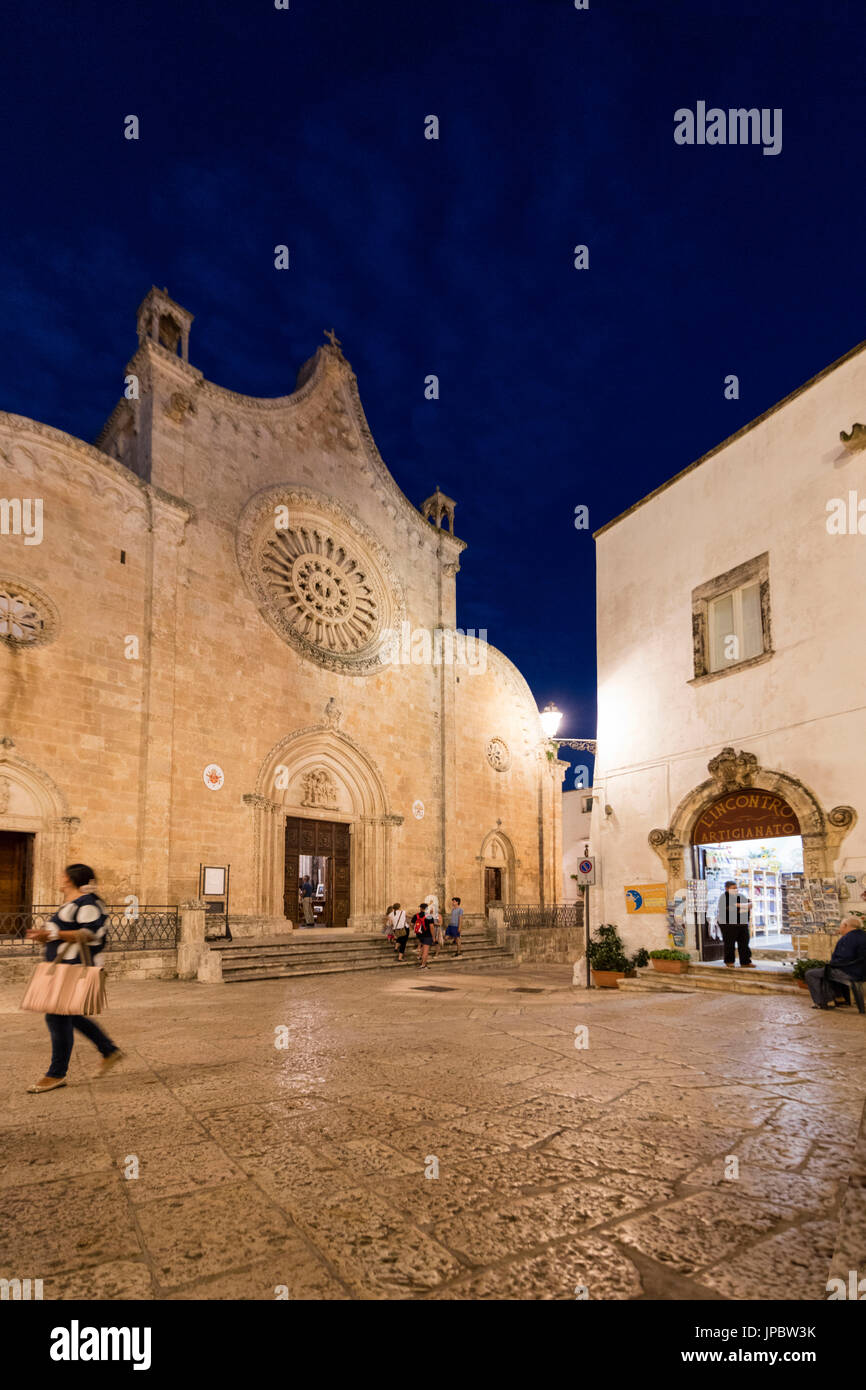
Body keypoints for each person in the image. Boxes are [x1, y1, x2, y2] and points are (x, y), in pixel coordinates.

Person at [25, 863, 124, 1094]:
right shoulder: (70, 904)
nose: (59, 878)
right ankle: (109, 1050)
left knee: (56, 1018)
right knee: (69, 1016)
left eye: (62, 875)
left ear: (70, 879)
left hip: (74, 967)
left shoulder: (86, 904)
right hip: (62, 967)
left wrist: (52, 933)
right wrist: (43, 936)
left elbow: (91, 933)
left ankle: (56, 1074)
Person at [805, 917, 866, 1011]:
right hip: (861, 971)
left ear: (845, 926)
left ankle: (821, 1002)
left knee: (811, 974)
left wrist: (831, 964)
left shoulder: (848, 938)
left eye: (840, 926)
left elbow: (843, 958)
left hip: (851, 972)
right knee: (828, 970)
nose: (840, 929)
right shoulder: (863, 935)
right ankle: (840, 999)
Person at [716, 879, 754, 968]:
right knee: (729, 944)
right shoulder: (723, 897)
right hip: (728, 925)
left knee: (744, 943)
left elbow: (749, 905)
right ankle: (729, 962)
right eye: (733, 888)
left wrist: (739, 906)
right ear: (727, 889)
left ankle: (745, 962)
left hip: (742, 924)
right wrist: (741, 906)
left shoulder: (741, 896)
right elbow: (730, 909)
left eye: (736, 888)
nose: (736, 890)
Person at [413, 902, 435, 969]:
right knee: (425, 951)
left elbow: (411, 924)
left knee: (422, 949)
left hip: (419, 935)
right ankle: (423, 965)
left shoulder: (416, 915)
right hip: (427, 935)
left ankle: (423, 963)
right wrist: (433, 937)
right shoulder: (429, 916)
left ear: (420, 908)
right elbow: (431, 927)